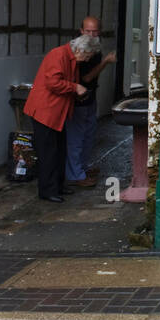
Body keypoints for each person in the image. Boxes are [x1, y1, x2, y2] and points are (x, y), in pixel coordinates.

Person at [24, 34, 99, 202]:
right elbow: (53, 83)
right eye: (87, 56)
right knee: (48, 153)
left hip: (57, 113)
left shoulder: (71, 58)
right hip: (46, 111)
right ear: (80, 49)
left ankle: (57, 186)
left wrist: (76, 92)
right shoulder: (58, 55)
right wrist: (75, 87)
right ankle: (47, 191)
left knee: (59, 150)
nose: (86, 60)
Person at [64, 16, 116, 188]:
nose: (91, 35)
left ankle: (82, 168)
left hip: (90, 97)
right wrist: (105, 62)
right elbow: (86, 77)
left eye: (95, 31)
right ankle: (75, 175)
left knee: (88, 135)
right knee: (76, 138)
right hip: (77, 99)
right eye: (88, 31)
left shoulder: (95, 47)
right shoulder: (79, 48)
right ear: (81, 31)